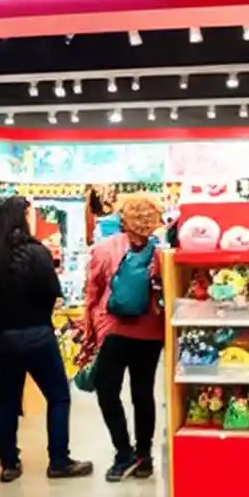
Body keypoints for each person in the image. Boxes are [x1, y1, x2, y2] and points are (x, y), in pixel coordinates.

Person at [0, 196, 92, 483]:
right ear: (23, 218)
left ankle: (9, 463)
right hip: (35, 333)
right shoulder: (35, 253)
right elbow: (51, 291)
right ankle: (59, 461)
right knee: (59, 396)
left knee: (7, 399)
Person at [83, 194, 166, 482]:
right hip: (151, 332)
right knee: (143, 393)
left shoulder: (104, 249)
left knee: (107, 390)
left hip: (115, 330)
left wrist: (89, 331)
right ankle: (144, 457)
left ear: (122, 217)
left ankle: (123, 453)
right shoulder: (161, 254)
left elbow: (93, 294)